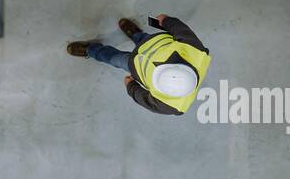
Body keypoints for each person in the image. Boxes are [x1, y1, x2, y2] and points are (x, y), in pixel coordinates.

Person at [67, 14, 211, 116]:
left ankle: (92, 50)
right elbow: (181, 29)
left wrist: (131, 87)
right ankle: (136, 34)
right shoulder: (195, 51)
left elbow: (144, 99)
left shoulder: (172, 106)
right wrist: (166, 21)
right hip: (151, 43)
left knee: (114, 58)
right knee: (142, 39)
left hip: (135, 66)